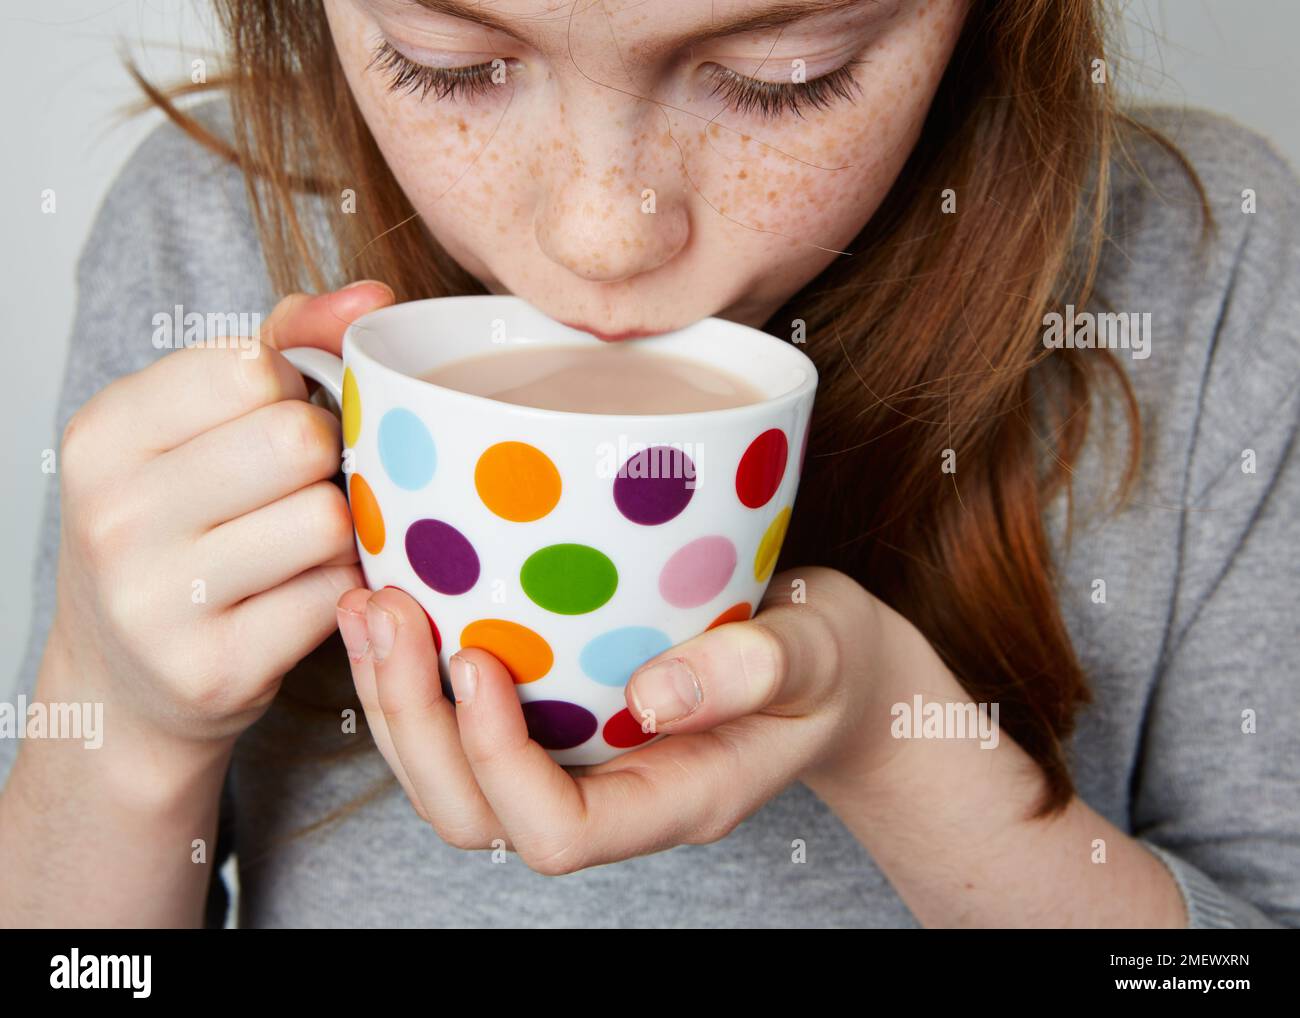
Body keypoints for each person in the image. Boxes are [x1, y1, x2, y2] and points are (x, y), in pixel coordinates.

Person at [1, 0, 1296, 928]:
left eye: (787, 74)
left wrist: (893, 743)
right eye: (447, 62)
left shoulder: (1201, 271)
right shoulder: (206, 231)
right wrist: (115, 735)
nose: (602, 237)